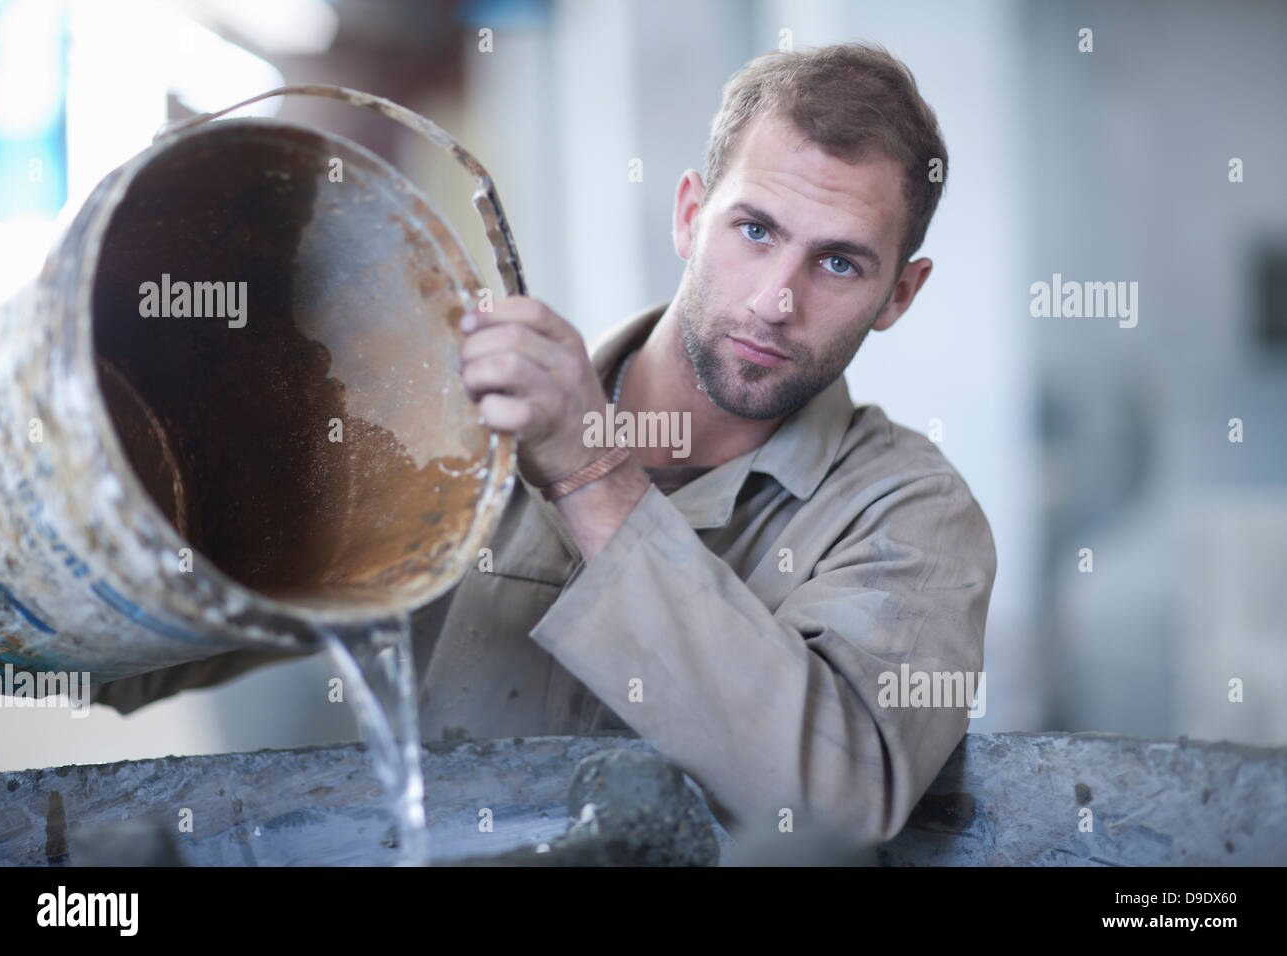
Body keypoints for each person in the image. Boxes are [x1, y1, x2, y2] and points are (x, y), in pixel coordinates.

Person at [97, 41, 996, 847]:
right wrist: (172, 441)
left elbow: (839, 801)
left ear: (900, 296)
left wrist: (587, 470)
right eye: (753, 231)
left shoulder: (909, 514)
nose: (776, 299)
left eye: (839, 262)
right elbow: (130, 650)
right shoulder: (452, 431)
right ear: (690, 215)